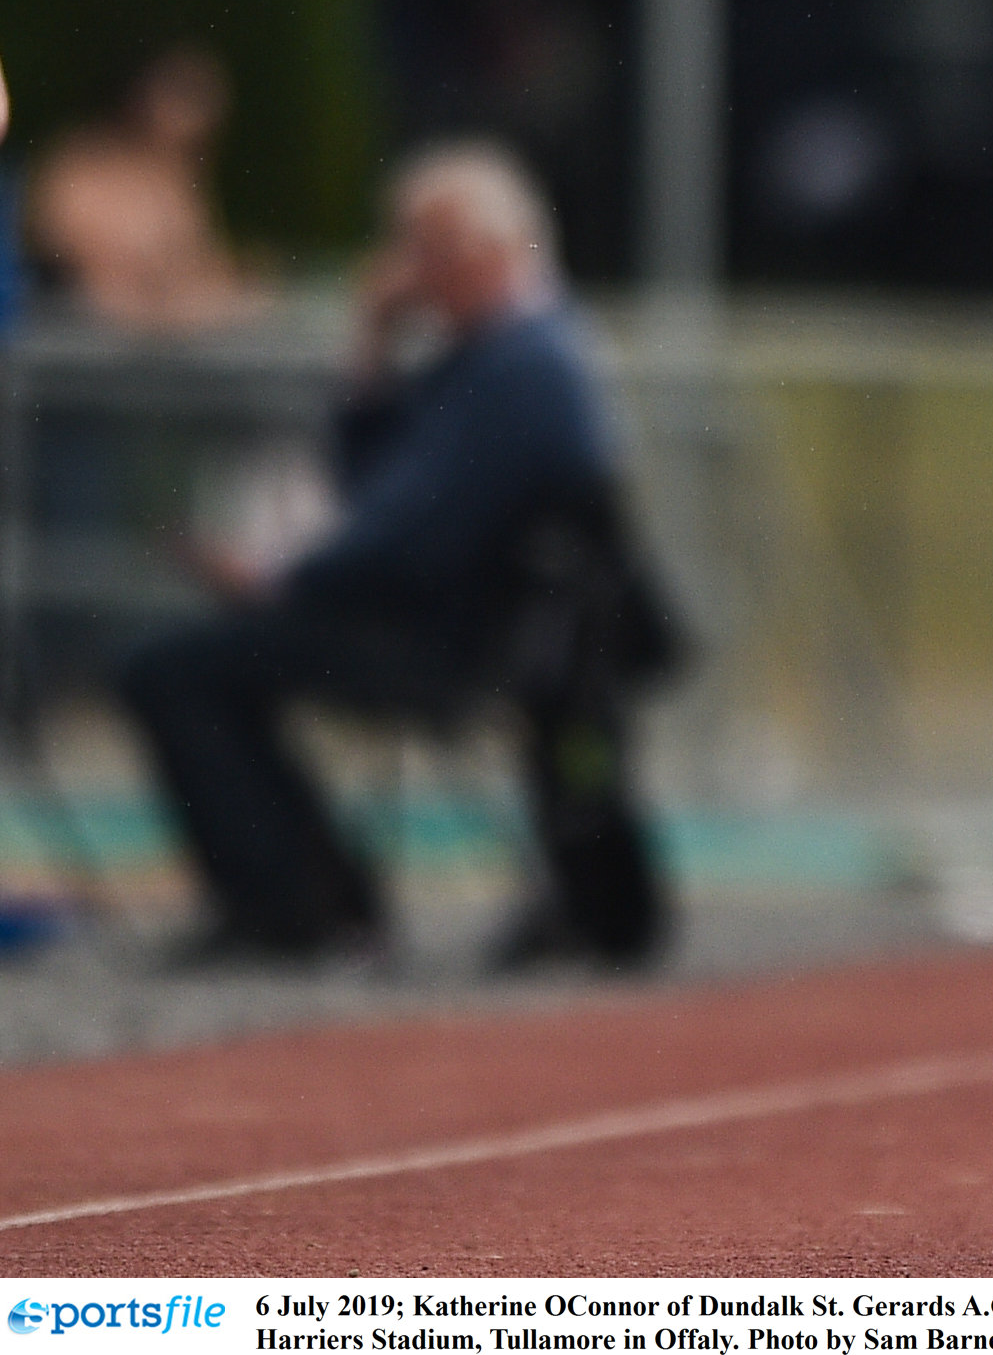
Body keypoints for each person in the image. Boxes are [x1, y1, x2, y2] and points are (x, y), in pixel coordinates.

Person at [116, 142, 664, 967]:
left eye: (423, 249)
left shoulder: (523, 362)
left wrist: (283, 581)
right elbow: (372, 485)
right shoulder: (498, 350)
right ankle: (311, 893)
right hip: (440, 619)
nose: (407, 272)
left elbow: (415, 527)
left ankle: (292, 903)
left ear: (485, 249)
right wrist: (372, 341)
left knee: (173, 668)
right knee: (194, 660)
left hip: (451, 639)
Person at [25, 45, 266, 333]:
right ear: (142, 98)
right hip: (84, 330)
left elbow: (201, 262)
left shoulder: (176, 176)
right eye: (187, 94)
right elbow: (73, 265)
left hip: (157, 328)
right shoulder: (79, 164)